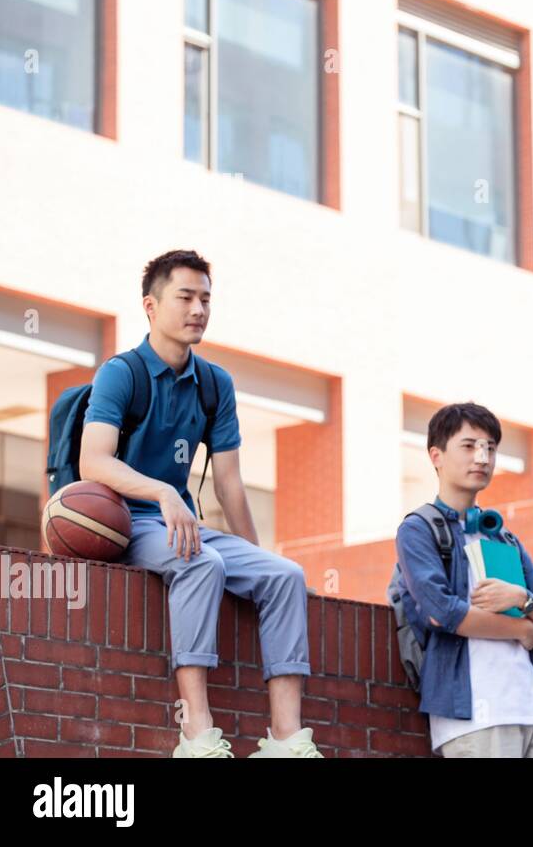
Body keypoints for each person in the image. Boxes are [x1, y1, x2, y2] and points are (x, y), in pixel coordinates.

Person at [81, 250, 320, 757]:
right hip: (129, 521)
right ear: (151, 306)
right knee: (201, 562)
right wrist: (163, 490)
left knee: (286, 576)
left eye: (206, 299)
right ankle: (196, 733)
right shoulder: (121, 373)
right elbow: (94, 462)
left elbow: (230, 484)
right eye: (185, 297)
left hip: (181, 525)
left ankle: (285, 740)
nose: (198, 309)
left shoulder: (215, 384)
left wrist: (259, 561)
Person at [393, 402, 533, 758]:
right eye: (470, 445)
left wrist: (522, 599)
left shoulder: (501, 536)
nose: (483, 457)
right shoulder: (419, 529)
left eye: (490, 447)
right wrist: (520, 629)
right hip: (475, 717)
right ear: (436, 455)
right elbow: (442, 611)